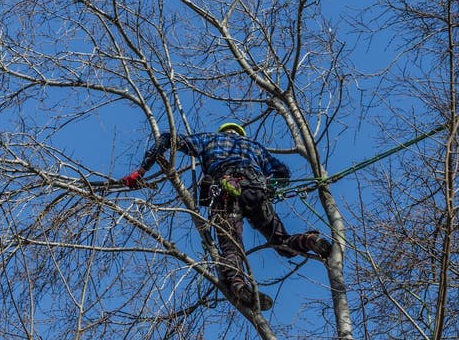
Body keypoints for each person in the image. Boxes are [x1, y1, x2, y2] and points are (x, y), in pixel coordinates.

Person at [121, 121, 331, 311]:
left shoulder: (209, 139)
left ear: (222, 131)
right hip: (255, 189)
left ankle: (240, 287)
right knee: (281, 242)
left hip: (223, 192)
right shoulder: (254, 147)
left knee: (232, 248)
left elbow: (167, 138)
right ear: (240, 133)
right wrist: (270, 185)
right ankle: (310, 240)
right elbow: (282, 173)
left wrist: (140, 171)